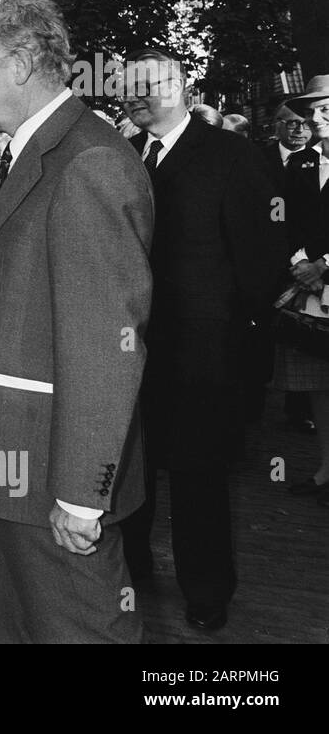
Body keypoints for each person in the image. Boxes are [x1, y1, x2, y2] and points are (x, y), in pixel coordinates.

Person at [0, 0, 152, 643]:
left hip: (50, 483)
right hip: (8, 468)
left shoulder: (89, 162)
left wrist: (82, 495)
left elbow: (107, 343)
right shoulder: (34, 153)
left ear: (20, 63)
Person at [119, 48, 284, 632]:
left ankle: (207, 591)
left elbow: (261, 259)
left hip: (203, 355)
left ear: (183, 86)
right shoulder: (120, 155)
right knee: (130, 467)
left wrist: (230, 332)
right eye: (126, 87)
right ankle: (132, 571)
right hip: (128, 348)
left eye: (148, 84)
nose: (135, 96)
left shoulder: (231, 155)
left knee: (198, 476)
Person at [275, 75, 329, 509]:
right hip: (309, 297)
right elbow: (283, 219)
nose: (316, 116)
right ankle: (326, 468)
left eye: (326, 108)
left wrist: (323, 264)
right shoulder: (301, 164)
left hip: (319, 279)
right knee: (318, 386)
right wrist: (299, 263)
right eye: (313, 109)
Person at [262, 100, 317, 433]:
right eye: (292, 123)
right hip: (266, 257)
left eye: (304, 123)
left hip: (305, 262)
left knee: (303, 334)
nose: (299, 129)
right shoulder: (258, 158)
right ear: (277, 126)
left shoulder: (318, 161)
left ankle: (300, 409)